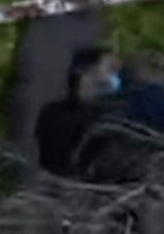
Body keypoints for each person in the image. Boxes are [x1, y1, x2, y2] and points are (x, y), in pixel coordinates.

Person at [35, 46, 132, 177]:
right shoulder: (53, 114)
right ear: (88, 70)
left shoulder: (116, 112)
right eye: (111, 68)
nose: (117, 75)